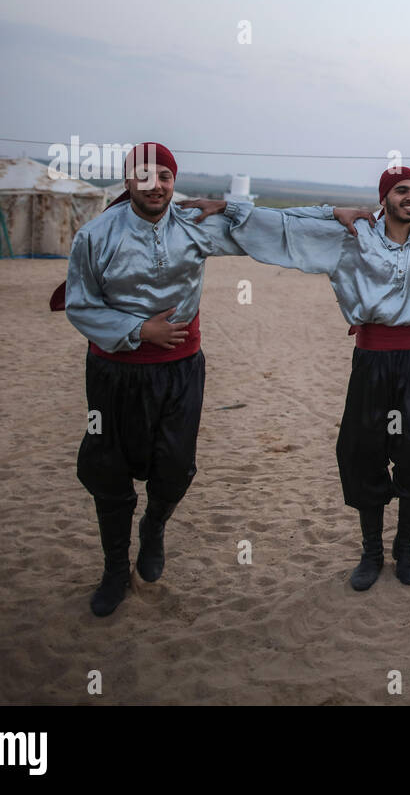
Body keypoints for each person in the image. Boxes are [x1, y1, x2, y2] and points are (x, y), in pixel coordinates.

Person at [182, 166, 410, 591]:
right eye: (402, 190)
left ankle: (406, 546)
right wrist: (233, 208)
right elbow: (288, 226)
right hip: (371, 361)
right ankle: (370, 551)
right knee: (364, 452)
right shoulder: (352, 234)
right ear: (384, 199)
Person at [64, 142, 251, 617]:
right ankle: (112, 569)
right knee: (108, 468)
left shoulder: (195, 224)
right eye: (145, 177)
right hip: (113, 373)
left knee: (175, 465)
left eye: (165, 177)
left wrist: (339, 214)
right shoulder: (94, 235)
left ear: (173, 182)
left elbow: (273, 230)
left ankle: (154, 527)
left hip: (181, 371)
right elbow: (80, 304)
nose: (156, 186)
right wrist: (139, 330)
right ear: (128, 182)